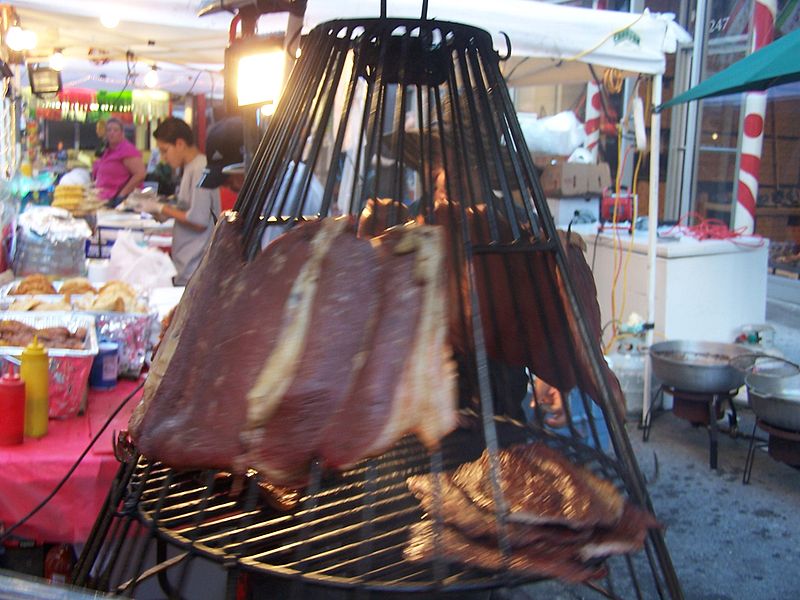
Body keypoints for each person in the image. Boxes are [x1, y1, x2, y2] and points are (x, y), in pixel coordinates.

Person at [134, 116, 243, 285]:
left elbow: (198, 220)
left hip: (194, 268)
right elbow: (188, 210)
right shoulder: (190, 168)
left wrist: (161, 208)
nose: (163, 158)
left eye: (165, 150)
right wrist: (164, 212)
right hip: (186, 266)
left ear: (179, 143)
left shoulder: (199, 168)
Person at [91, 117, 146, 206]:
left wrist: (122, 194)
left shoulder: (127, 150)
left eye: (115, 130)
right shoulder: (107, 150)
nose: (112, 133)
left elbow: (140, 174)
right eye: (109, 130)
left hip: (119, 200)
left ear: (122, 133)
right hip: (104, 198)